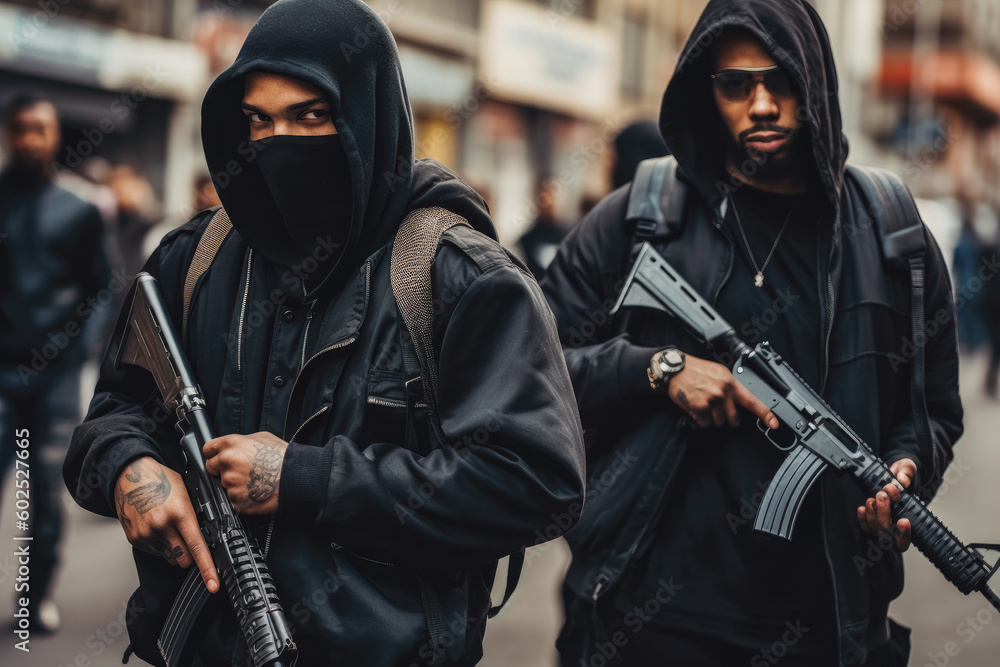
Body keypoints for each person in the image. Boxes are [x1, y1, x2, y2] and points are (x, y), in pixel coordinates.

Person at [63, 1, 585, 666]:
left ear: (367, 116)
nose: (278, 143)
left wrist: (305, 477)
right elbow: (112, 412)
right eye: (259, 119)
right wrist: (129, 470)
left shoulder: (461, 280)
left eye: (310, 116)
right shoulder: (196, 257)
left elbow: (537, 484)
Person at [543, 1, 962, 665]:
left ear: (815, 85)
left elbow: (930, 410)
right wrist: (660, 370)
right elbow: (533, 372)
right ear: (707, 92)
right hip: (649, 618)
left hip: (828, 624)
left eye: (780, 81)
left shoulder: (891, 237)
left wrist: (908, 469)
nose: (761, 104)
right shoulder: (639, 220)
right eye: (736, 84)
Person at [0, 93, 109, 633]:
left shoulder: (81, 207)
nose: (28, 140)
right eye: (20, 129)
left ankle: (35, 595)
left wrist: (74, 359)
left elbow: (100, 290)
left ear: (54, 136)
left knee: (43, 494)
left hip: (55, 381)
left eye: (38, 130)